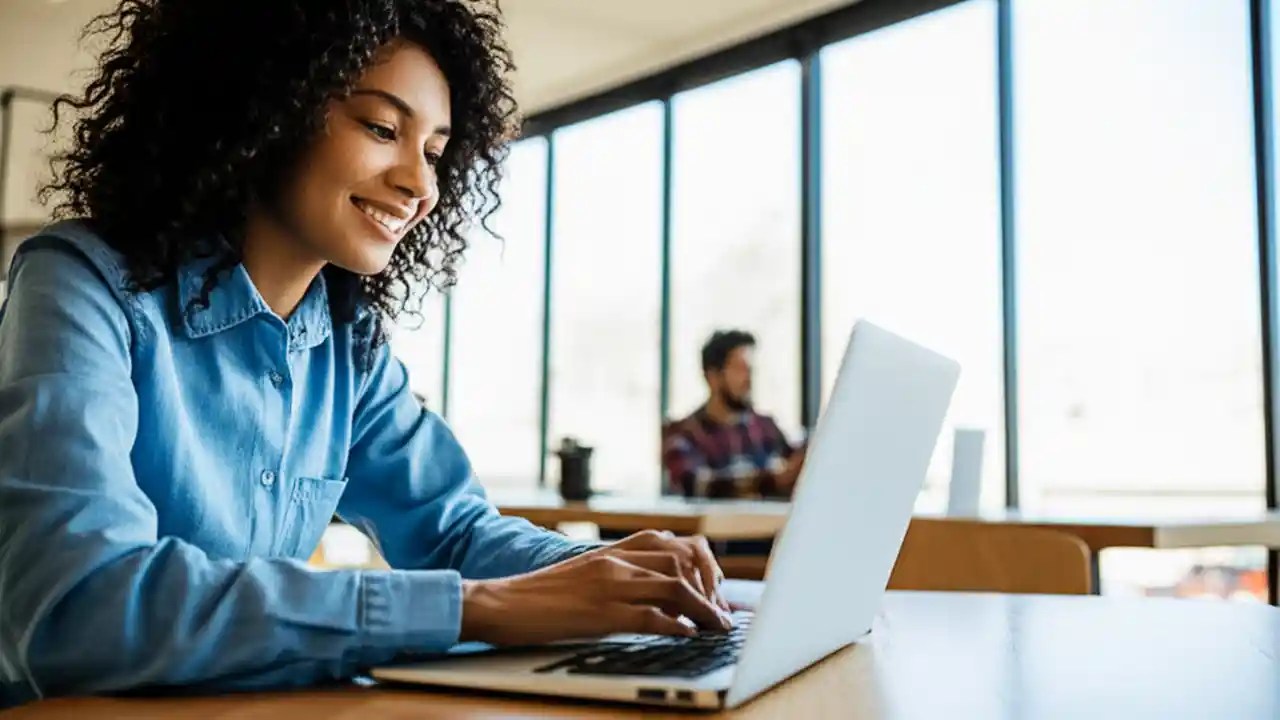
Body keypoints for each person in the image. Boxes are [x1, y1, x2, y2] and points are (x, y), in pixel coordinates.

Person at [0, 0, 732, 704]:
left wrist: (616, 573)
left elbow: (454, 531)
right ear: (266, 107)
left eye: (436, 152)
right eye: (382, 127)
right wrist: (474, 609)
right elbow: (80, 608)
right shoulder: (82, 285)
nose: (421, 185)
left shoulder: (347, 343)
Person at [664, 330, 806, 499]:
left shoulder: (766, 428)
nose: (749, 379)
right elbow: (695, 485)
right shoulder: (685, 434)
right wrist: (768, 481)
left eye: (751, 370)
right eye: (741, 369)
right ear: (713, 377)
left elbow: (796, 469)